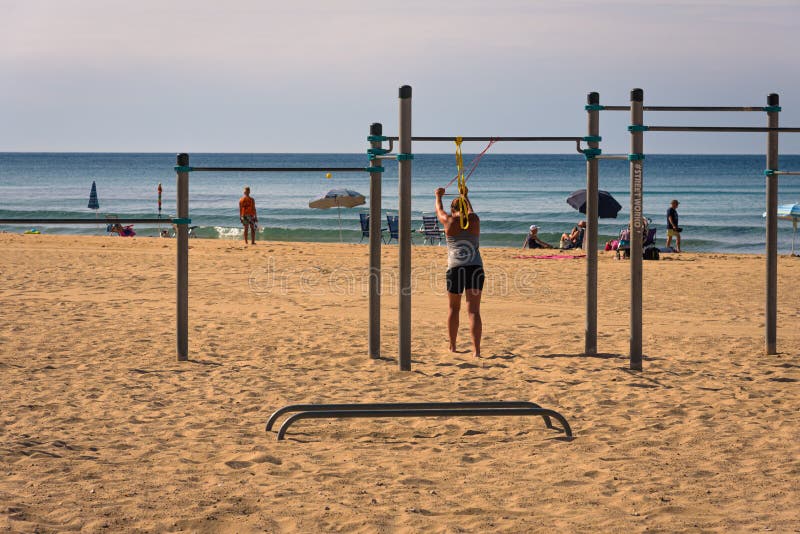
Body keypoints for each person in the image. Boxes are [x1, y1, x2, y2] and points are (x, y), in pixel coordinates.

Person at [435, 187, 484, 358]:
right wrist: (466, 196)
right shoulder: (474, 220)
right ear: (466, 207)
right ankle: (476, 351)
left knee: (453, 308)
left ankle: (453, 346)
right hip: (475, 268)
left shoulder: (449, 222)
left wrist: (438, 196)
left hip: (456, 268)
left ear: (453, 209)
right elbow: (470, 212)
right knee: (473, 311)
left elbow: (438, 211)